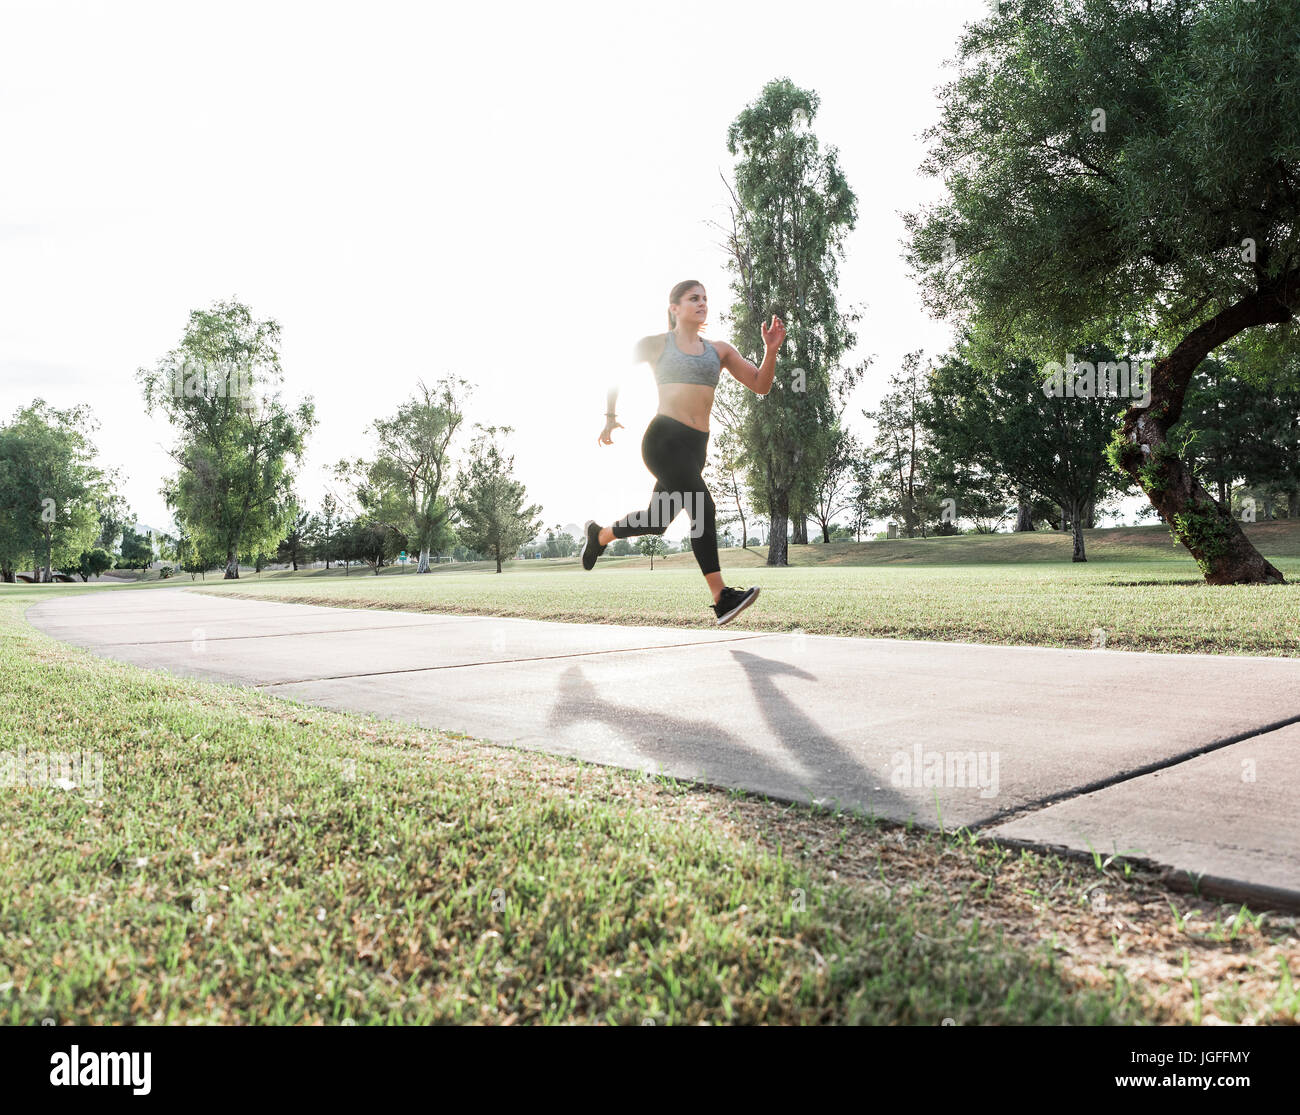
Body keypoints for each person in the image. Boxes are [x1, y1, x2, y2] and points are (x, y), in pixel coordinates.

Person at [579, 278, 786, 625]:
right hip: (663, 441)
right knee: (703, 506)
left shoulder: (719, 351)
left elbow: (760, 385)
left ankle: (600, 535)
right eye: (693, 298)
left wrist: (771, 351)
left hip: (694, 449)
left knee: (657, 521)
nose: (702, 303)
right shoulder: (657, 344)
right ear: (674, 308)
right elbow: (615, 372)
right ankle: (721, 597)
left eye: (705, 298)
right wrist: (610, 417)